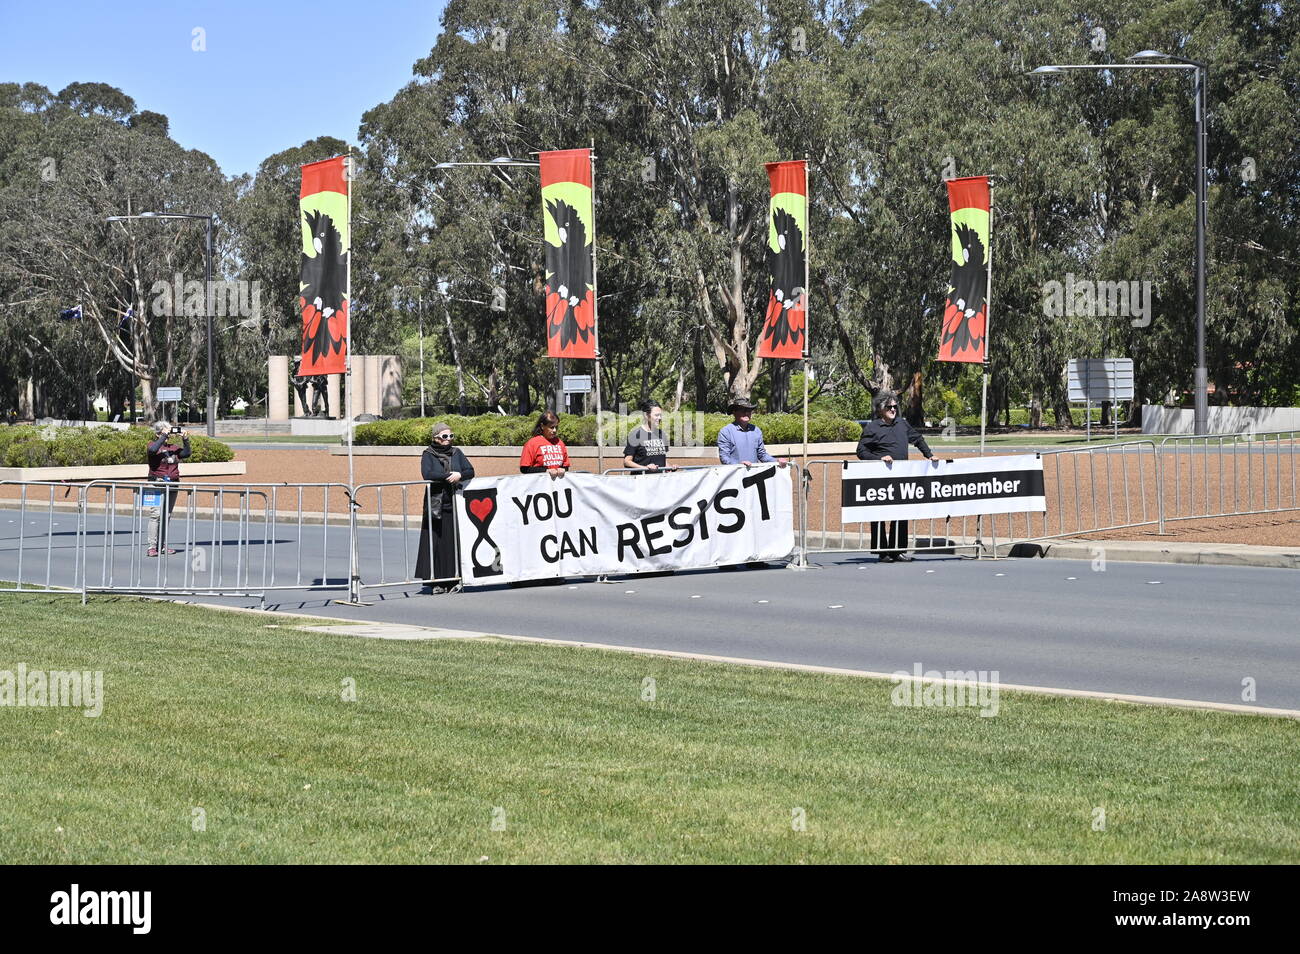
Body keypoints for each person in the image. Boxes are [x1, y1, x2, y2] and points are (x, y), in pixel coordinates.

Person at [855, 390, 935, 562]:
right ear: (880, 409)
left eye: (895, 406)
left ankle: (897, 551)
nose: (893, 409)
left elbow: (918, 439)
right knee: (879, 516)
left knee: (901, 513)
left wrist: (929, 455)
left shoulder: (902, 424)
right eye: (889, 407)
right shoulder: (872, 427)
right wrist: (879, 459)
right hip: (880, 480)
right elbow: (861, 451)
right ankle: (883, 552)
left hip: (901, 477)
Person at [415, 423, 474, 593]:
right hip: (436, 503)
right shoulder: (428, 454)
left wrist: (460, 474)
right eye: (445, 436)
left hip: (454, 502)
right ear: (436, 438)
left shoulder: (457, 452)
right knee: (436, 543)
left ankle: (454, 579)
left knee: (452, 542)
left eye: (450, 436)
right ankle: (436, 582)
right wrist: (449, 476)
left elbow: (470, 470)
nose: (448, 440)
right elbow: (428, 474)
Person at [145, 420, 190, 557]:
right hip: (155, 483)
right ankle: (152, 547)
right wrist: (163, 436)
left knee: (166, 515)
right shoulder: (152, 445)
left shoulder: (173, 448)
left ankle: (162, 545)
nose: (169, 434)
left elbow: (186, 454)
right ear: (158, 433)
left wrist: (186, 440)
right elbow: (153, 451)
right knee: (155, 515)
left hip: (173, 484)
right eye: (166, 432)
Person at [716, 397, 788, 469]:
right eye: (743, 410)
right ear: (734, 412)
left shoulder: (756, 430)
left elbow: (762, 455)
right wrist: (739, 465)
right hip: (735, 476)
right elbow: (724, 458)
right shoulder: (726, 432)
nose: (746, 413)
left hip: (754, 476)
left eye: (749, 410)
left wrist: (776, 461)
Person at [623, 399, 675, 473]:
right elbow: (627, 462)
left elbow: (662, 459)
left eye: (660, 415)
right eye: (656, 415)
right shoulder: (635, 435)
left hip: (660, 481)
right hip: (642, 481)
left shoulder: (661, 434)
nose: (660, 418)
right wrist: (645, 468)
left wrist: (669, 467)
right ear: (646, 415)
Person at [520, 411, 570, 478]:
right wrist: (545, 471)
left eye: (556, 427)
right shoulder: (532, 443)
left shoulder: (560, 443)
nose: (555, 430)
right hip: (539, 485)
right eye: (551, 427)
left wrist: (563, 469)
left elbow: (565, 465)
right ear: (542, 426)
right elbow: (524, 468)